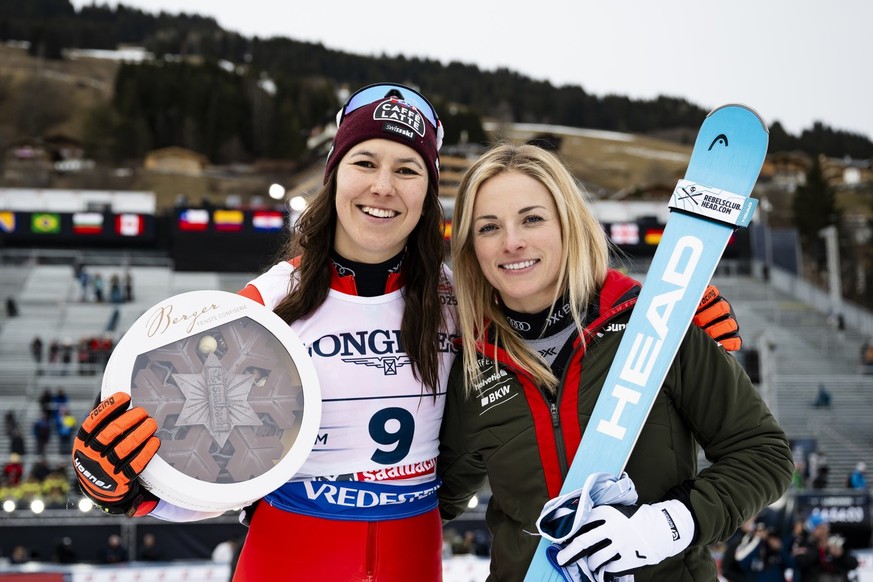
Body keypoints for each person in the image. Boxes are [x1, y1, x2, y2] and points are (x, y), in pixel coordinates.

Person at [72, 82, 454, 582]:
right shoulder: (269, 301)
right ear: (334, 176)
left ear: (428, 192)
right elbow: (215, 474)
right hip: (287, 559)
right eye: (365, 162)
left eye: (407, 169)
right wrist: (127, 490)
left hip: (414, 561)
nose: (384, 186)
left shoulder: (457, 301)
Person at [437, 143, 794, 581]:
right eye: (488, 227)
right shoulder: (474, 367)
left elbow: (764, 454)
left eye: (532, 219)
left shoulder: (656, 325)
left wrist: (670, 524)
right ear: (472, 248)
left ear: (569, 224)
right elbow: (432, 499)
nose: (512, 242)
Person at [793, 514, 858, 581]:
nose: (825, 530)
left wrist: (841, 555)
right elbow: (801, 563)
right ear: (812, 530)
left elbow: (854, 564)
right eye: (820, 528)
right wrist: (819, 550)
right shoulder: (804, 543)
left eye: (826, 527)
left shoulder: (836, 541)